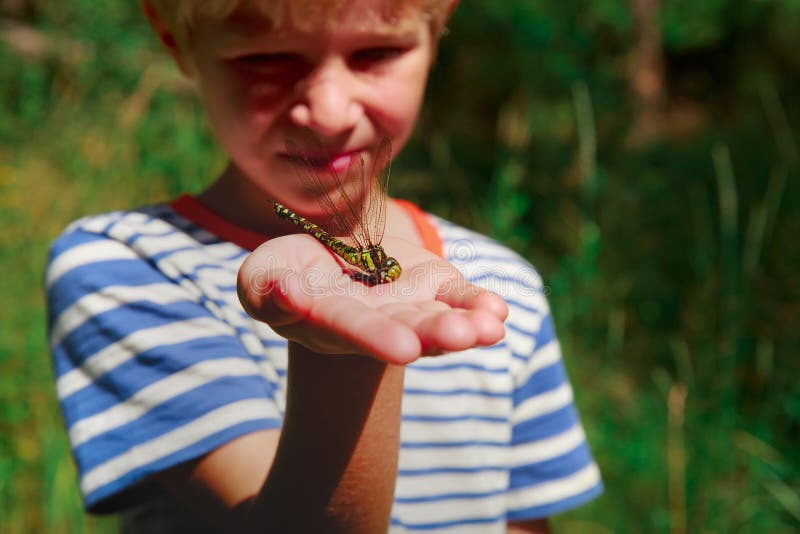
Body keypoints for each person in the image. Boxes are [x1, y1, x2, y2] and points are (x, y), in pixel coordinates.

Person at [45, 1, 603, 532]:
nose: (331, 114)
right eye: (265, 57)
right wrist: (341, 353)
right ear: (176, 39)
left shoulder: (507, 287)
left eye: (376, 52)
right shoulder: (123, 268)